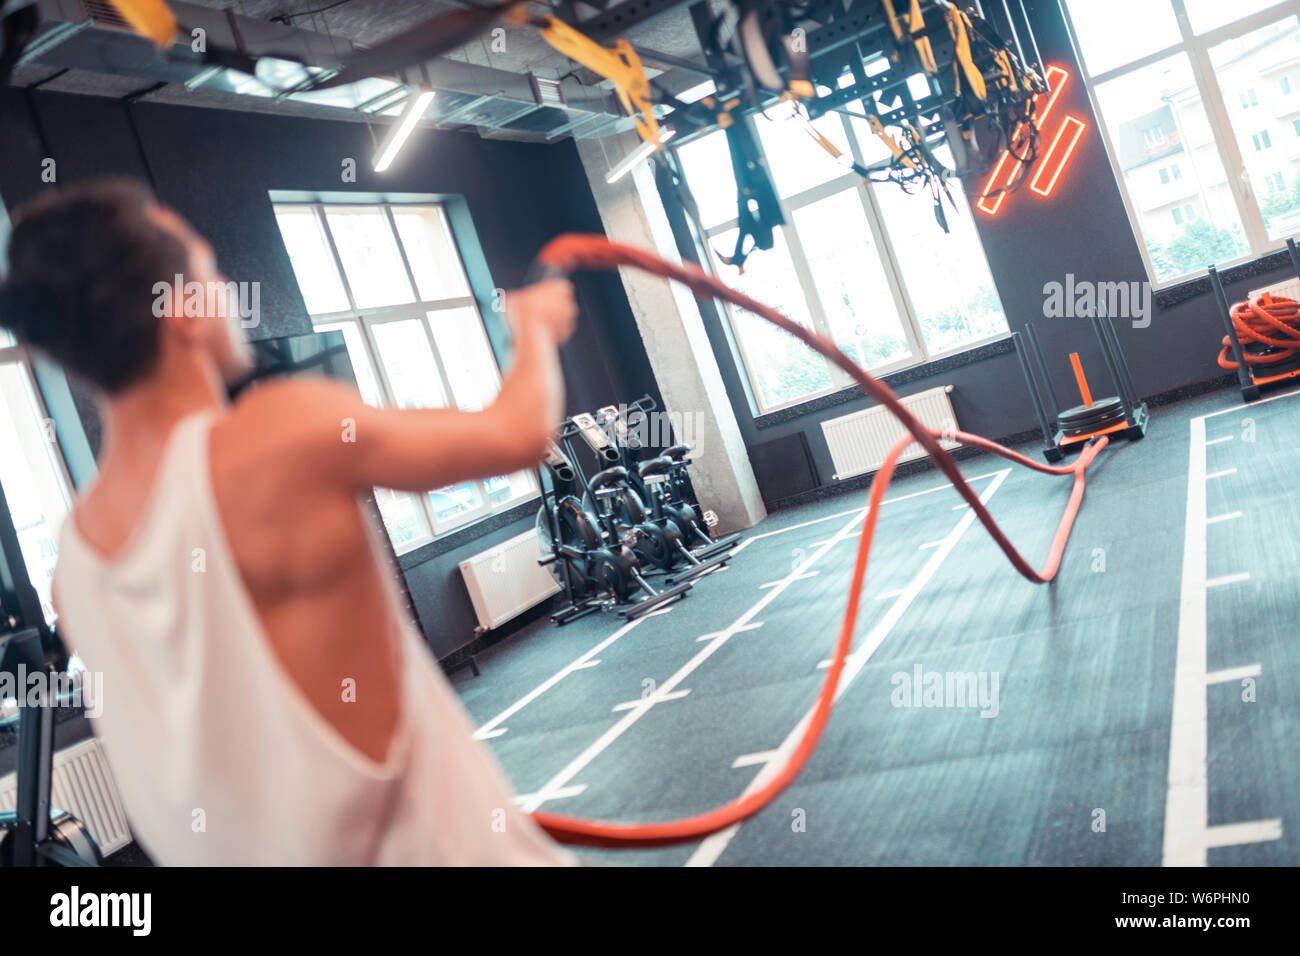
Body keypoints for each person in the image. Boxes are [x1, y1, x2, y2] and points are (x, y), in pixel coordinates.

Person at [0, 180, 579, 865]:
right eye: (212, 272)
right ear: (183, 311)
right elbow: (516, 434)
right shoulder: (277, 435)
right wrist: (535, 330)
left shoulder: (74, 572)